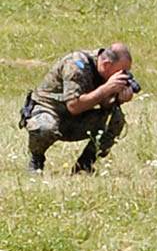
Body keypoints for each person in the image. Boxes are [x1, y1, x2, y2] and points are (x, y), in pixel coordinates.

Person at [24, 44, 135, 174]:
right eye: (121, 73)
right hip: (49, 110)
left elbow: (102, 104)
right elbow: (74, 106)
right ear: (106, 64)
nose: (123, 77)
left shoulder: (104, 73)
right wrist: (107, 88)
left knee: (116, 118)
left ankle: (85, 164)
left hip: (75, 118)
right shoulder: (76, 65)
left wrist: (117, 99)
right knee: (44, 128)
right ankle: (36, 160)